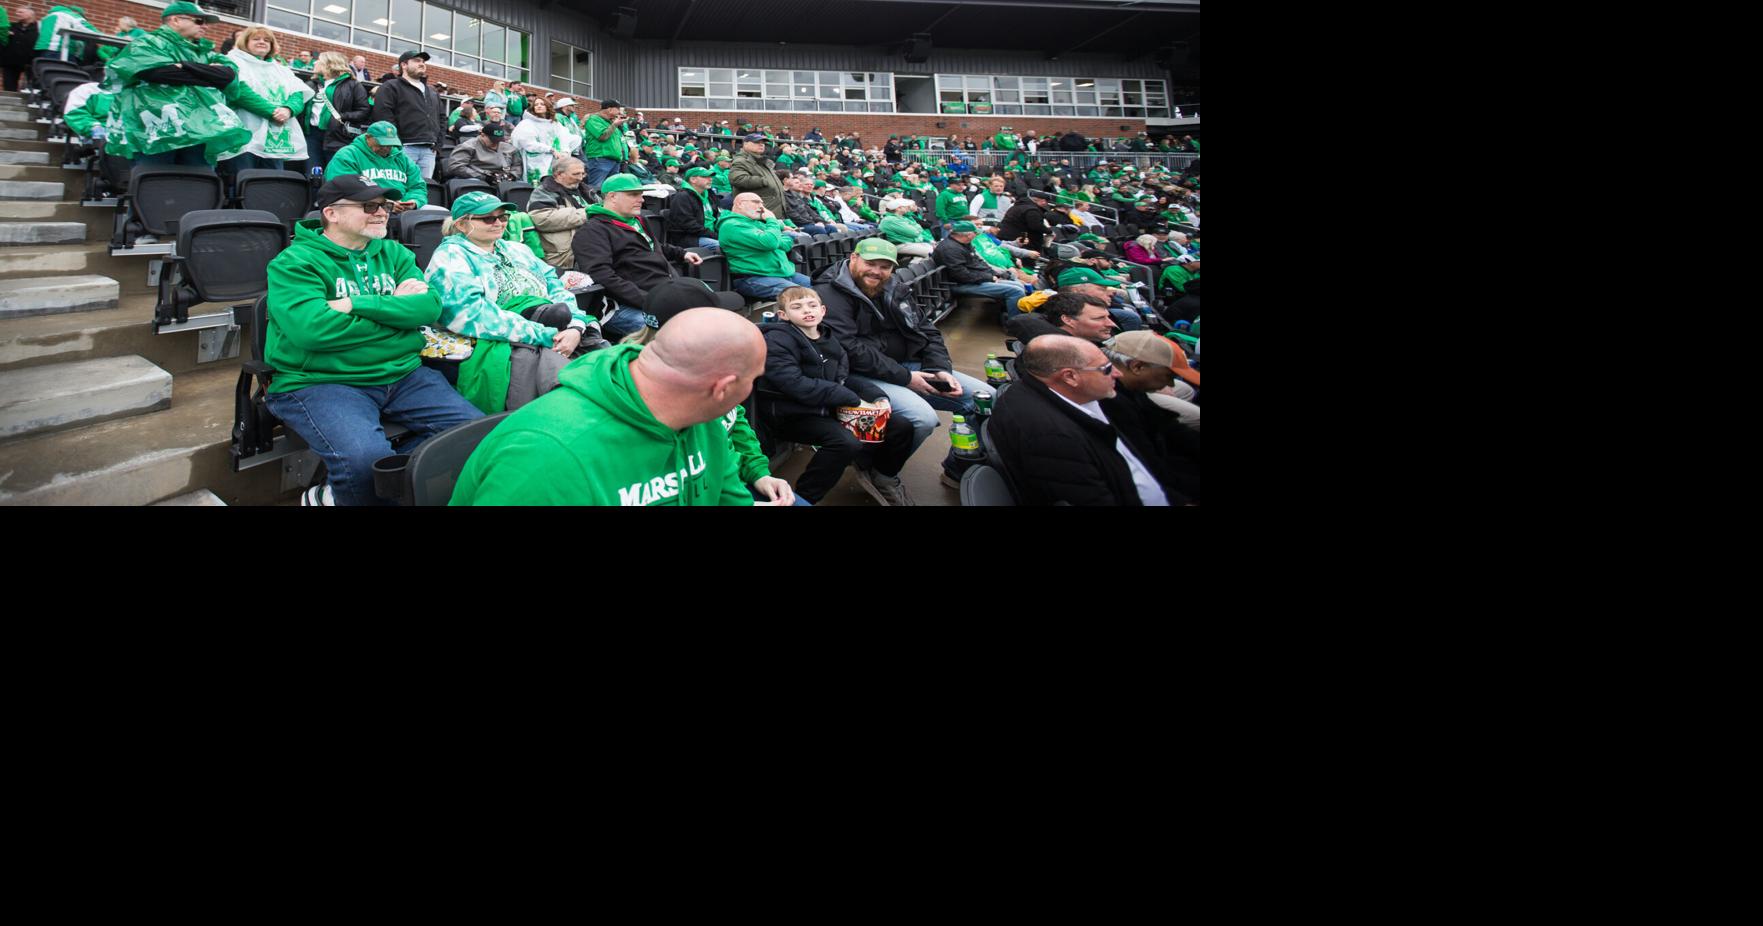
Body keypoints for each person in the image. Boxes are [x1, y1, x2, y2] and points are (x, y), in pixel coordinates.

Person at [263, 176, 485, 506]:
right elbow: (313, 331)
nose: (381, 212)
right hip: (322, 381)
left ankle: (355, 486)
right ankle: (338, 493)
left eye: (385, 205)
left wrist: (356, 304)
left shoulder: (394, 253)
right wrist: (397, 315)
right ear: (332, 213)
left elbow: (428, 308)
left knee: (476, 434)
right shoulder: (294, 262)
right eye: (369, 206)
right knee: (365, 463)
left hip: (403, 373)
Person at [449, 307, 768, 506]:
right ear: (722, 388)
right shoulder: (547, 459)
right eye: (753, 379)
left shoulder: (702, 418)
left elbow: (729, 498)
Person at [813, 238, 989, 487]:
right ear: (854, 258)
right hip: (859, 373)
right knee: (922, 418)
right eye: (870, 263)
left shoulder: (894, 286)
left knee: (985, 399)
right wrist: (906, 378)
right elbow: (849, 349)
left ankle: (957, 469)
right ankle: (882, 475)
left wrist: (939, 368)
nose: (877, 271)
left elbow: (925, 329)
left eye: (885, 266)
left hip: (907, 366)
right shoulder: (828, 293)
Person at [423, 191, 606, 414]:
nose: (498, 223)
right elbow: (473, 315)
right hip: (494, 337)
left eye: (503, 217)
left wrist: (576, 326)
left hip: (553, 325)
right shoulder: (451, 256)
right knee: (563, 378)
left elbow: (555, 286)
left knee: (601, 362)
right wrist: (549, 335)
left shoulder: (516, 249)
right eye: (488, 218)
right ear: (462, 224)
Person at [758, 286, 915, 506]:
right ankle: (804, 498)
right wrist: (852, 399)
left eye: (812, 305)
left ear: (823, 310)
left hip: (825, 407)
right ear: (783, 315)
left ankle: (881, 476)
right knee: (845, 442)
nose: (807, 310)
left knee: (900, 426)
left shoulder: (829, 338)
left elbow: (842, 377)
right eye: (797, 307)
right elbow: (795, 385)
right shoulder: (777, 339)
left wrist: (877, 396)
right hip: (791, 414)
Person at [987, 334, 1187, 506]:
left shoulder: (1074, 396)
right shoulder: (1053, 438)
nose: (1117, 373)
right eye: (1106, 369)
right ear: (1070, 377)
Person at [99, 4, 286, 168]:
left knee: (198, 184)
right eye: (199, 21)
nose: (205, 26)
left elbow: (228, 75)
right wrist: (207, 73)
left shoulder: (205, 51)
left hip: (200, 128)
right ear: (175, 20)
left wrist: (185, 66)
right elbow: (156, 73)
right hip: (157, 130)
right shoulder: (147, 43)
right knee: (154, 184)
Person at [573, 173, 734, 341]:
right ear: (612, 197)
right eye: (633, 194)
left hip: (662, 293)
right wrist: (650, 301)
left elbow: (653, 246)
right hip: (623, 306)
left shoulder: (636, 220)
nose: (641, 199)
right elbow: (602, 276)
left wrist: (682, 253)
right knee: (682, 336)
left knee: (710, 322)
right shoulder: (592, 231)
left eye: (641, 194)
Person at [218, 26, 312, 175]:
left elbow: (297, 93)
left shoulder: (281, 69)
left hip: (276, 136)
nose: (262, 42)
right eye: (256, 39)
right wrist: (273, 112)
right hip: (245, 133)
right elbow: (240, 91)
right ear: (245, 42)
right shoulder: (233, 61)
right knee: (243, 178)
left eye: (267, 40)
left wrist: (288, 110)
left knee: (272, 181)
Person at [717, 192, 809, 302]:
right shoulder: (732, 225)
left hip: (782, 274)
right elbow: (770, 242)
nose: (761, 207)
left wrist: (773, 239)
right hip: (754, 278)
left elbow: (787, 243)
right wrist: (772, 221)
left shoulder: (756, 223)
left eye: (762, 203)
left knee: (820, 289)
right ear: (740, 204)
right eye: (756, 202)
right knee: (803, 297)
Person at [1104, 329, 1200, 432]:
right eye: (1169, 376)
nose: (1171, 384)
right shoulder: (1115, 406)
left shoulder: (1130, 389)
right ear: (1137, 367)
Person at [368, 49, 442, 179]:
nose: (422, 64)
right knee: (398, 186)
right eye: (417, 60)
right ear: (404, 65)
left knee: (422, 188)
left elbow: (442, 118)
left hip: (429, 150)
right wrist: (396, 144)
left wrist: (438, 145)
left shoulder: (432, 92)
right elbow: (384, 115)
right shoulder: (391, 86)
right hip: (404, 148)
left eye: (423, 61)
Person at [323, 121, 426, 212]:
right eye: (382, 144)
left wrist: (413, 201)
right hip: (364, 208)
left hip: (402, 210)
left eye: (390, 144)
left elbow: (418, 186)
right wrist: (383, 203)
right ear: (368, 138)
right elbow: (342, 187)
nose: (386, 148)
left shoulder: (402, 157)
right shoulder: (348, 155)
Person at [933, 221, 1026, 317]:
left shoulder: (964, 243)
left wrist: (995, 273)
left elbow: (978, 263)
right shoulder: (950, 249)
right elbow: (961, 276)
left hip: (973, 279)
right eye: (975, 233)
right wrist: (989, 277)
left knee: (1018, 284)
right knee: (1016, 291)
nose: (977, 235)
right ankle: (1014, 322)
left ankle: (1006, 312)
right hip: (960, 284)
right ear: (969, 235)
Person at [301, 51, 365, 174]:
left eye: (319, 60)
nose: (315, 63)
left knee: (335, 174)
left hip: (338, 136)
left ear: (329, 64)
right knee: (313, 174)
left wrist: (341, 116)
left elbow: (363, 111)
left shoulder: (353, 85)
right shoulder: (311, 84)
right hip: (312, 136)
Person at [525, 156, 591, 270]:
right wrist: (588, 213)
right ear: (559, 174)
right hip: (564, 258)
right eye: (576, 174)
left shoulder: (586, 190)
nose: (580, 178)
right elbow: (542, 219)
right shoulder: (545, 191)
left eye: (583, 174)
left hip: (591, 249)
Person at [1005, 290, 1117, 345]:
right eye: (1098, 318)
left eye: (1107, 317)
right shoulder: (1070, 358)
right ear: (1068, 320)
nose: (1112, 324)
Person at [662, 166, 722, 250]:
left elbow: (717, 216)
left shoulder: (708, 194)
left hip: (709, 234)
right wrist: (715, 236)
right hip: (690, 238)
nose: (710, 179)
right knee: (725, 245)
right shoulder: (682, 197)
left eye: (710, 177)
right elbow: (689, 225)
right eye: (705, 177)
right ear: (693, 180)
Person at [729, 133, 786, 217]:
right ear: (745, 144)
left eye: (763, 143)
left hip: (771, 211)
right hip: (758, 213)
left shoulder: (760, 160)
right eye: (757, 142)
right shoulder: (741, 161)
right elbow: (738, 179)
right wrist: (764, 181)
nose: (761, 145)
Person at [508, 94, 561, 184]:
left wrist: (564, 151)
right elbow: (527, 143)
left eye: (542, 104)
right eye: (536, 104)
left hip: (553, 160)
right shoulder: (527, 123)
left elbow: (564, 138)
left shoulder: (554, 123)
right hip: (534, 161)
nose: (539, 106)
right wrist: (550, 149)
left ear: (548, 107)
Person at [578, 98, 628, 191]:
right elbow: (602, 136)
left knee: (612, 189)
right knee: (595, 188)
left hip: (614, 161)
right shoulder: (593, 119)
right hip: (600, 159)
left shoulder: (611, 122)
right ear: (609, 109)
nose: (619, 112)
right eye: (618, 109)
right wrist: (615, 125)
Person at [444, 119, 516, 183]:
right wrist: (484, 177)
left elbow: (517, 164)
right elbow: (456, 166)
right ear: (482, 135)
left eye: (498, 141)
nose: (496, 143)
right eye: (492, 141)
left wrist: (512, 175)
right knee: (474, 181)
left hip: (501, 179)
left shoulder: (507, 147)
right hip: (477, 177)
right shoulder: (468, 146)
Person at [3, 7, 38, 93]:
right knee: (9, 87)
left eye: (20, 12)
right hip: (10, 61)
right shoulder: (11, 26)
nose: (17, 14)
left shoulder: (39, 29)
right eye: (17, 12)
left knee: (31, 88)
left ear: (31, 14)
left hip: (30, 62)